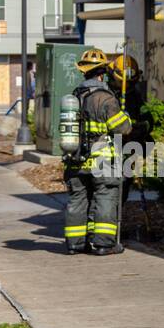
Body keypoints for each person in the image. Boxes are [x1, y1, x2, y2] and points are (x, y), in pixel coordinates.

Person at [63, 48, 131, 255]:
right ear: (102, 73)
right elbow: (123, 129)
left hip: (75, 160)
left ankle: (75, 244)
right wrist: (126, 116)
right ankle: (103, 244)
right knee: (105, 197)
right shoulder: (105, 98)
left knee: (78, 199)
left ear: (84, 72)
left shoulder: (74, 97)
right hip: (102, 160)